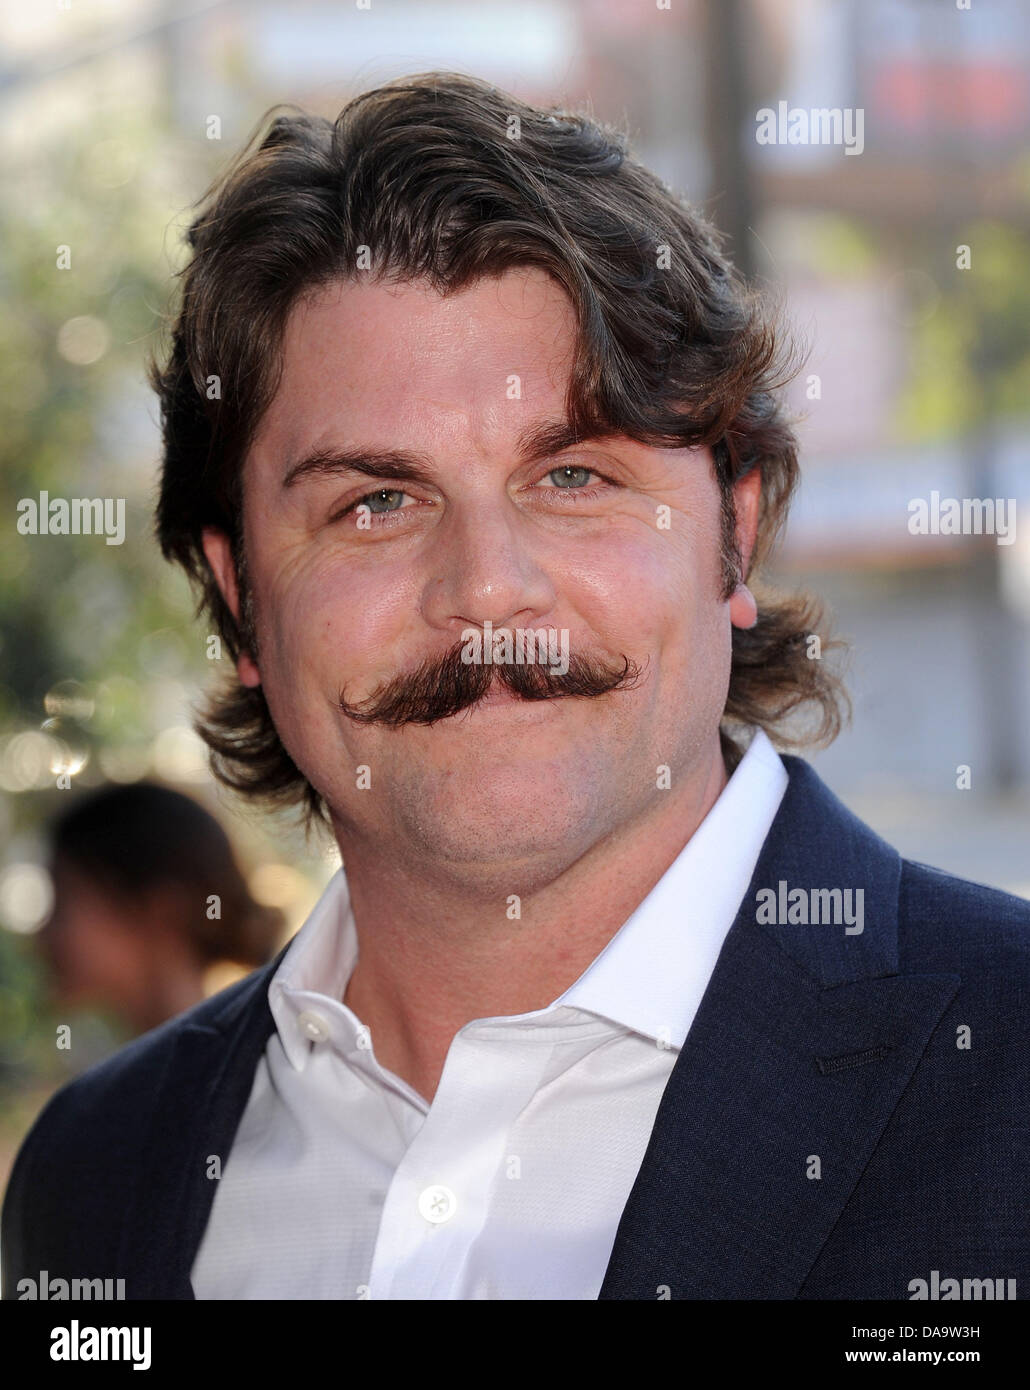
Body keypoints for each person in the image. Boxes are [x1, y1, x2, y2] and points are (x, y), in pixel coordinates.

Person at [3, 72, 1028, 1302]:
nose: (487, 591)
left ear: (733, 534)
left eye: (576, 477)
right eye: (375, 502)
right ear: (240, 602)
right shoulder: (96, 1178)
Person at [39, 782, 286, 1036]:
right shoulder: (207, 1056)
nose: (43, 934)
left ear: (160, 910)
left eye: (62, 905)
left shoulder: (209, 1067)